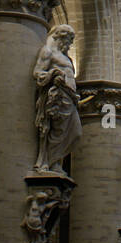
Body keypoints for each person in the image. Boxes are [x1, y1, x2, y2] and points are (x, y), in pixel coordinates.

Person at [33, 25, 81, 173]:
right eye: (68, 39)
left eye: (71, 40)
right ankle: (51, 163)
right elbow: (37, 72)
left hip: (70, 98)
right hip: (58, 98)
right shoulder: (48, 52)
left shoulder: (67, 58)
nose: (69, 43)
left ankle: (55, 161)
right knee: (56, 131)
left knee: (75, 132)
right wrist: (52, 73)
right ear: (59, 36)